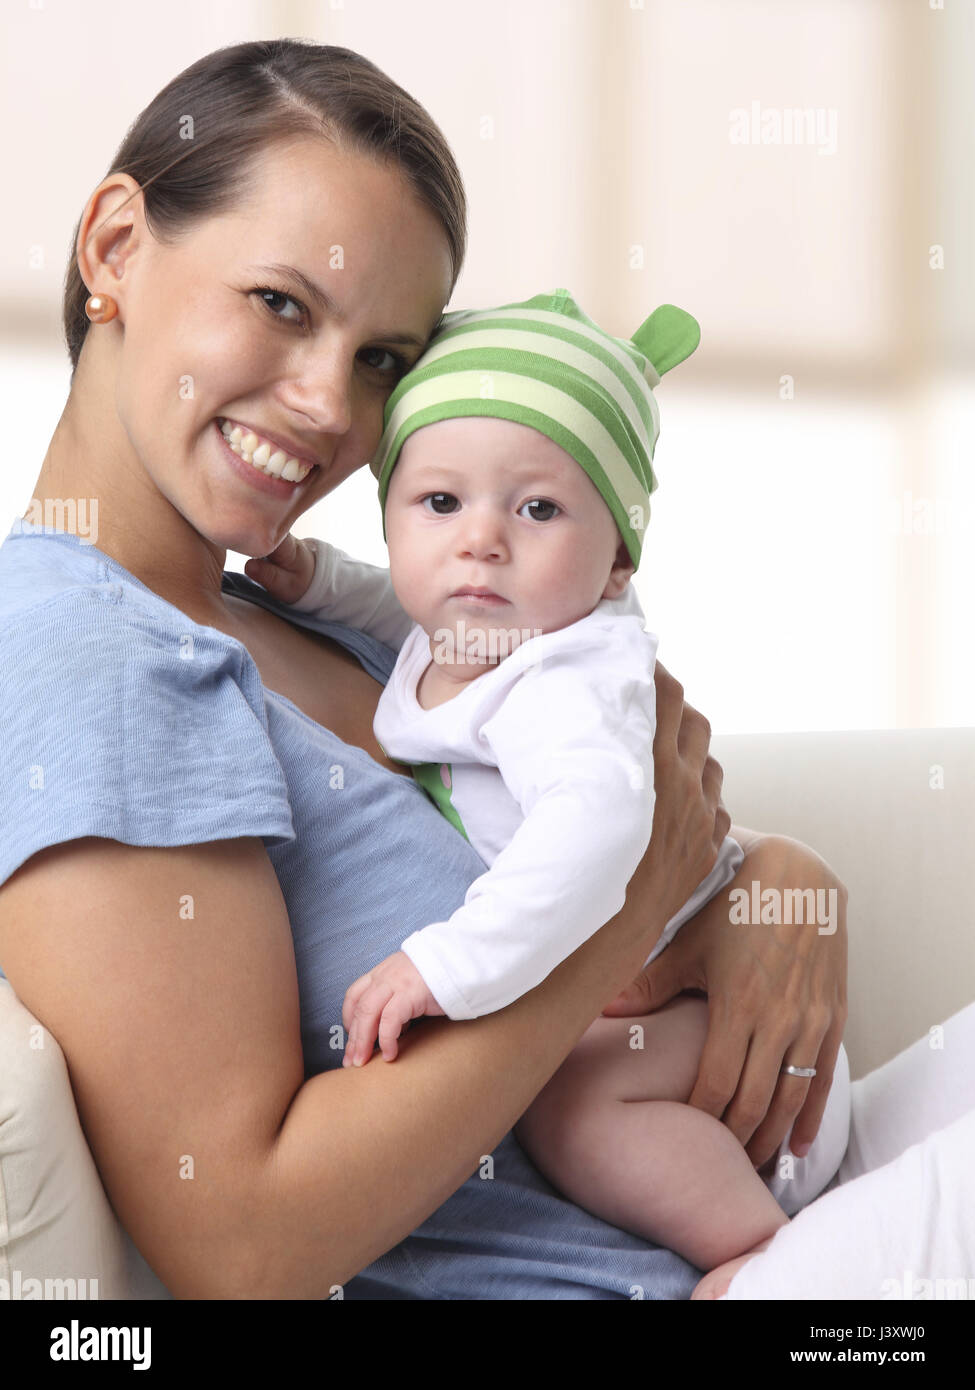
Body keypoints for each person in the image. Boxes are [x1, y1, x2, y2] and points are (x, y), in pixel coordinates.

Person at [0, 39, 849, 1300]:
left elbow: (606, 813)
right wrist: (628, 907)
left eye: (382, 359)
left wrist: (782, 889)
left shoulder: (303, 613)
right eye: (282, 304)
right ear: (115, 247)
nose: (325, 408)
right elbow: (240, 1238)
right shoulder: (92, 659)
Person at [243, 287, 853, 1280]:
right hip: (671, 1014)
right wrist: (317, 580)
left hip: (718, 1043)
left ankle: (760, 1256)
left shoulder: (570, 680)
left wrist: (448, 962)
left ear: (617, 560)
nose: (481, 540)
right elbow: (405, 616)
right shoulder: (489, 629)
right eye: (439, 502)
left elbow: (597, 828)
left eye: (538, 508)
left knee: (571, 1102)